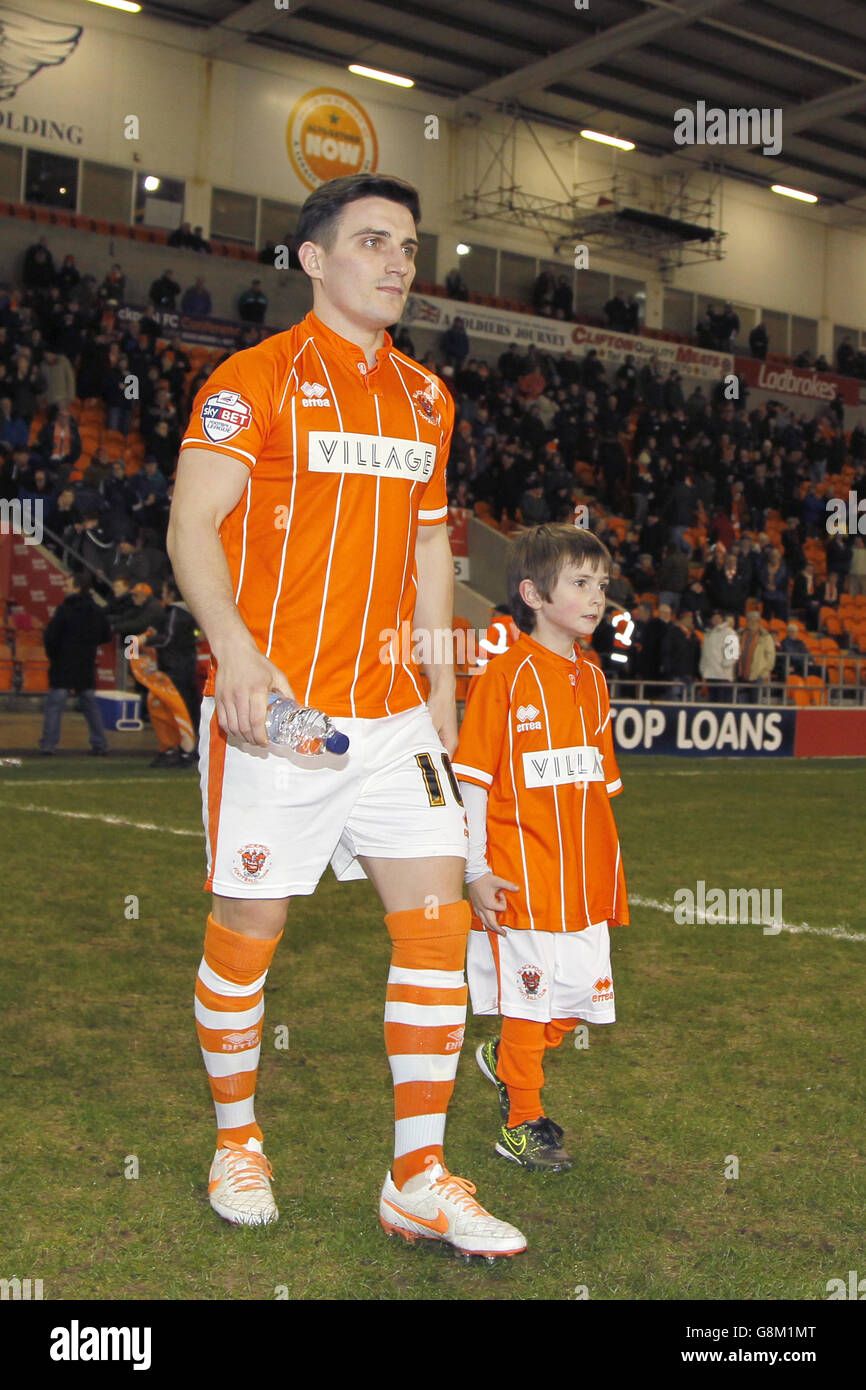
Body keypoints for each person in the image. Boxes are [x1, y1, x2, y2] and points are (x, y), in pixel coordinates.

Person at [167, 171, 525, 1255]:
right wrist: (234, 652)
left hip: (391, 718)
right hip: (277, 713)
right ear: (313, 260)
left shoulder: (427, 397)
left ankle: (416, 1175)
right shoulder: (251, 380)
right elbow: (191, 527)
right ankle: (239, 1140)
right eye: (371, 241)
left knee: (436, 924)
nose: (396, 261)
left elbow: (427, 547)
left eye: (408, 247)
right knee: (249, 933)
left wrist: (441, 683)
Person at [452, 524, 627, 1172]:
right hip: (521, 873)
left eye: (601, 585)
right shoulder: (504, 676)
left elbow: (596, 786)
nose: (596, 597)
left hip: (581, 877)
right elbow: (470, 780)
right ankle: (522, 1121)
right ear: (532, 592)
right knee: (530, 997)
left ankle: (506, 1057)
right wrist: (475, 870)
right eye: (581, 583)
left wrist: (607, 869)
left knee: (579, 994)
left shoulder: (592, 678)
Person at [38, 573, 112, 755]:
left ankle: (48, 745)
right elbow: (106, 635)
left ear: (77, 588)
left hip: (63, 665)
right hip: (85, 664)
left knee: (55, 707)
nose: (64, 588)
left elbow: (51, 637)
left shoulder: (64, 610)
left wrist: (54, 656)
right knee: (90, 706)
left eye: (68, 585)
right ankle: (100, 744)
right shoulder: (96, 610)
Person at [736, 610, 776, 703]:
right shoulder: (739, 634)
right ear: (747, 622)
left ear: (759, 622)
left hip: (757, 676)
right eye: (750, 620)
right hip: (741, 675)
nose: (752, 623)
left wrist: (765, 672)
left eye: (755, 620)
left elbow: (770, 656)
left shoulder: (765, 636)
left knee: (755, 703)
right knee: (740, 703)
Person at [700, 612, 738, 702]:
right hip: (710, 676)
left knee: (722, 704)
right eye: (714, 618)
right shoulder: (708, 633)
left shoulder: (729, 632)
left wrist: (723, 666)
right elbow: (705, 654)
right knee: (712, 704)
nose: (716, 620)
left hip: (723, 677)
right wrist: (703, 668)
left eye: (719, 618)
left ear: (722, 619)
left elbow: (732, 654)